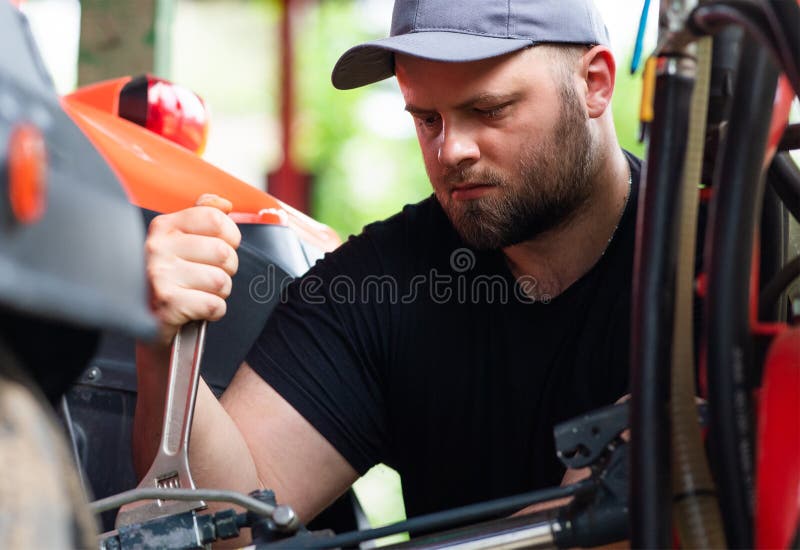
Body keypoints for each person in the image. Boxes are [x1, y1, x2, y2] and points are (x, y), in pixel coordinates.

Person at [135, 0, 638, 531]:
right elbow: (222, 529)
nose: (451, 150)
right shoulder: (379, 286)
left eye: (489, 109)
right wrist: (163, 348)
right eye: (427, 119)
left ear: (595, 84)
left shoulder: (712, 267)